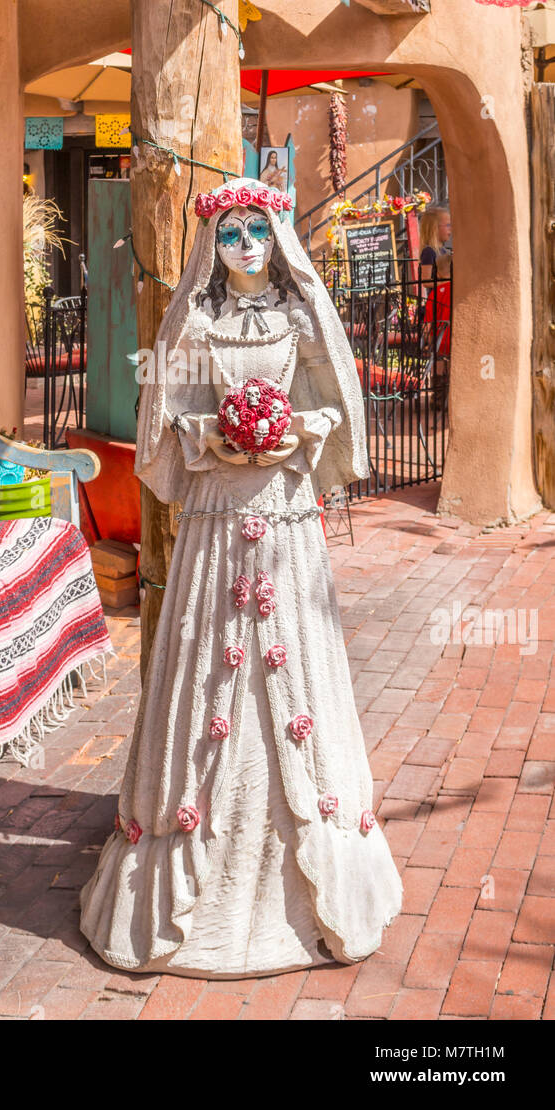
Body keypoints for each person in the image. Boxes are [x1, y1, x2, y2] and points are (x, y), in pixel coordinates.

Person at [80, 179, 402, 977]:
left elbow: (333, 405)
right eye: (230, 234)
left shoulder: (301, 316)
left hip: (286, 510)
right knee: (207, 656)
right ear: (212, 244)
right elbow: (167, 420)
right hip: (219, 516)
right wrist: (214, 433)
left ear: (278, 234)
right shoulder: (195, 320)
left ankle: (310, 883)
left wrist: (294, 428)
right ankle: (190, 879)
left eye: (258, 230)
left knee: (291, 659)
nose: (246, 245)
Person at [418, 205, 451, 288]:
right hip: (437, 297)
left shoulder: (444, 250)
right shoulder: (429, 251)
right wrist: (447, 284)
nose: (451, 229)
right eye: (447, 225)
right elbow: (426, 281)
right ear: (434, 228)